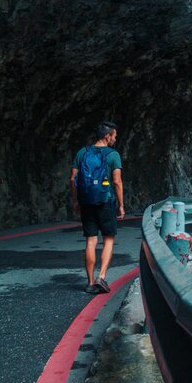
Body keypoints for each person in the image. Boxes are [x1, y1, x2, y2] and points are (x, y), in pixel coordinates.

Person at [70, 121, 125, 294]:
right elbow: (116, 181)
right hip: (105, 201)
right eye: (114, 136)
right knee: (108, 239)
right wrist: (121, 205)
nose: (115, 139)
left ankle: (90, 282)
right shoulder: (113, 155)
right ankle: (101, 277)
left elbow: (73, 179)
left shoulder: (82, 153)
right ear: (107, 136)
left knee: (91, 241)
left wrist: (76, 201)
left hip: (87, 202)